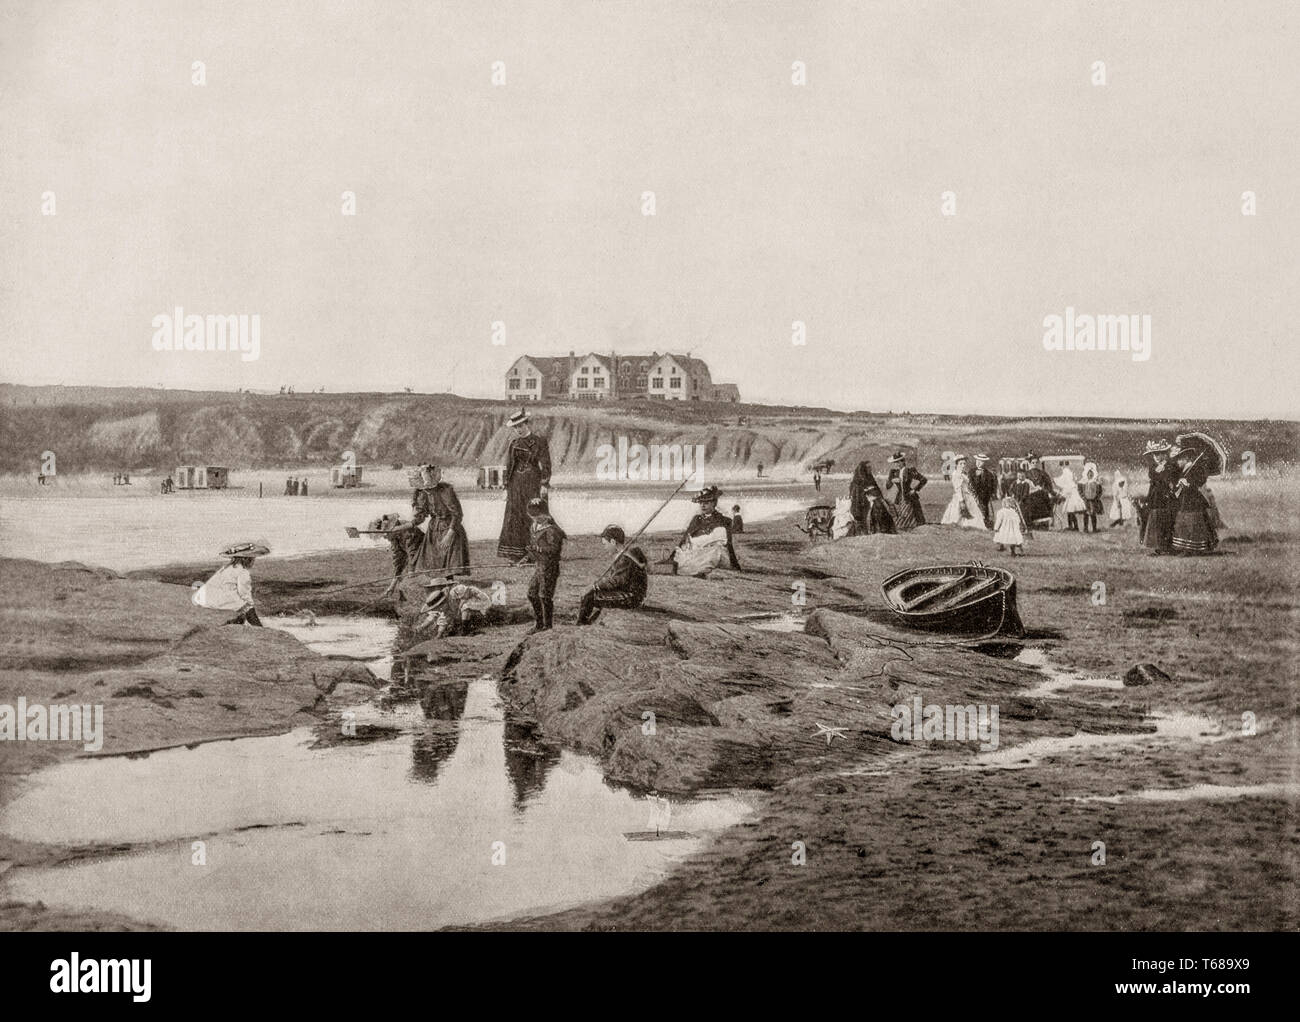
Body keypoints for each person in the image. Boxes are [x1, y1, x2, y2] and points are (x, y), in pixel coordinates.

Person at [498, 410, 552, 561]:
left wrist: (544, 484)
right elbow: (509, 467)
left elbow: (546, 464)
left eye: (520, 426)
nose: (518, 429)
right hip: (516, 485)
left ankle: (534, 553)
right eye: (516, 427)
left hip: (532, 483)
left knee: (533, 514)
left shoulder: (539, 441)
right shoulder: (514, 444)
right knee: (514, 517)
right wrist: (505, 487)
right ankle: (515, 554)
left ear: (526, 424)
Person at [578, 525, 648, 625]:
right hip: (631, 593)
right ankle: (593, 619)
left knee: (589, 596)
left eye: (605, 544)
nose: (604, 547)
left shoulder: (625, 558)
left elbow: (616, 581)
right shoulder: (626, 555)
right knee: (595, 593)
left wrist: (594, 586)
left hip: (631, 597)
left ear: (613, 542)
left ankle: (580, 624)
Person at [409, 463, 470, 576]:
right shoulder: (424, 493)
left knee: (449, 560)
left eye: (427, 488)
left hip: (450, 527)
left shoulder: (445, 491)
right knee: (431, 561)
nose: (426, 491)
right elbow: (421, 516)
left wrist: (449, 534)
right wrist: (410, 523)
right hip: (434, 529)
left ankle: (449, 580)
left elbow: (457, 514)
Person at [516, 497, 565, 632]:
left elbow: (554, 550)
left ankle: (547, 626)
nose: (535, 519)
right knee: (532, 594)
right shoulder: (534, 527)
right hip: (540, 567)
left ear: (545, 515)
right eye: (533, 517)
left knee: (545, 596)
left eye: (538, 517)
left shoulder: (552, 530)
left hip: (550, 568)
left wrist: (538, 550)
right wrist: (526, 559)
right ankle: (539, 624)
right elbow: (533, 549)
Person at [192, 541, 270, 625]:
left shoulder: (226, 568)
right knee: (247, 607)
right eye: (252, 559)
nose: (253, 561)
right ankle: (258, 627)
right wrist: (250, 604)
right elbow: (244, 593)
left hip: (205, 598)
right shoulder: (243, 572)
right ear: (246, 559)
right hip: (219, 599)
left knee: (238, 603)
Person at [672, 485, 741, 576]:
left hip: (716, 553)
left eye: (706, 503)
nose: (703, 505)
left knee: (714, 552)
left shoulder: (724, 520)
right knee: (684, 555)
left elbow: (728, 545)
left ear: (714, 503)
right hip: (697, 551)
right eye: (701, 503)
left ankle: (699, 568)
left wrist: (735, 564)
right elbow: (685, 539)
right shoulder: (696, 519)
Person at [1170, 445, 1218, 554]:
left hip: (1193, 499)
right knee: (1185, 520)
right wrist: (1180, 482)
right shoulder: (1185, 470)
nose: (1178, 462)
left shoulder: (1196, 468)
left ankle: (1194, 547)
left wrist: (1189, 483)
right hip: (1185, 499)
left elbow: (1200, 480)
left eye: (1180, 459)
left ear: (1186, 458)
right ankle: (1186, 547)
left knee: (1193, 521)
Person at [420, 577, 498, 637]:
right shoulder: (438, 598)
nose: (438, 589)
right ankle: (423, 629)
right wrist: (438, 634)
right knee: (445, 615)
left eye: (440, 587)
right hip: (460, 610)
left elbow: (466, 596)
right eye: (435, 588)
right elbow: (442, 618)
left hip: (478, 600)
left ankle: (465, 630)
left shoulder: (455, 591)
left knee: (465, 606)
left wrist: (459, 608)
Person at [1141, 440, 1177, 554]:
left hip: (1167, 497)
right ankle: (1159, 547)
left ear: (1165, 454)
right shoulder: (1153, 467)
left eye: (1158, 454)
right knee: (1157, 521)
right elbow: (1153, 480)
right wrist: (1148, 498)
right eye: (1154, 454)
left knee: (1167, 520)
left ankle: (1168, 547)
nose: (1156, 457)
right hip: (1156, 497)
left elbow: (1169, 480)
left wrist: (1162, 473)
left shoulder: (1170, 466)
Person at [883, 451, 927, 530]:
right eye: (895, 463)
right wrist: (892, 481)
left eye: (898, 462)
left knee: (912, 515)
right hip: (900, 497)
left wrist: (915, 490)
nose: (896, 464)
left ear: (902, 462)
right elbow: (887, 486)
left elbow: (923, 480)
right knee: (902, 514)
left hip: (909, 496)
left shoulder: (910, 471)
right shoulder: (893, 472)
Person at [1021, 453, 1057, 527]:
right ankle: (1030, 522)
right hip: (1030, 495)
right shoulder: (1026, 474)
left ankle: (1043, 522)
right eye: (1033, 463)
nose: (1035, 464)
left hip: (1042, 494)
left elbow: (1049, 485)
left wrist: (1049, 492)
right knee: (1028, 502)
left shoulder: (1043, 473)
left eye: (1036, 463)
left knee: (1043, 501)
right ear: (1030, 463)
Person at [849, 460, 884, 532]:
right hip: (861, 500)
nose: (870, 469)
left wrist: (874, 492)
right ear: (864, 468)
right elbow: (857, 492)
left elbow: (876, 487)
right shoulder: (858, 479)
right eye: (868, 467)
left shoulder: (870, 477)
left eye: (870, 467)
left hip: (872, 498)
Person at [971, 454, 999, 528]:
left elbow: (992, 484)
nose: (978, 463)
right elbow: (970, 483)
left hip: (985, 494)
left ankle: (986, 522)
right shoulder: (972, 471)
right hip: (974, 493)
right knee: (975, 508)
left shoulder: (989, 473)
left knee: (985, 508)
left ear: (984, 463)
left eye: (981, 462)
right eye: (977, 461)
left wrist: (992, 493)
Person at [1055, 463, 1084, 531]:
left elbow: (1066, 492)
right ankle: (1071, 526)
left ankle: (1075, 526)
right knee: (1069, 512)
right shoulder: (1070, 483)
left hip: (1072, 500)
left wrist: (1060, 496)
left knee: (1071, 512)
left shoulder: (1070, 484)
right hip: (1070, 499)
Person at [1079, 462, 1103, 533]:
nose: (1090, 474)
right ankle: (1085, 528)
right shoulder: (1083, 482)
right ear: (1086, 474)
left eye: (1091, 473)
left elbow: (1100, 491)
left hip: (1093, 500)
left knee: (1093, 514)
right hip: (1086, 500)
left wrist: (1097, 497)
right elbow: (1080, 490)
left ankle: (1094, 528)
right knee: (1086, 514)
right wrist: (1083, 497)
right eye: (1089, 473)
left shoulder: (1096, 482)